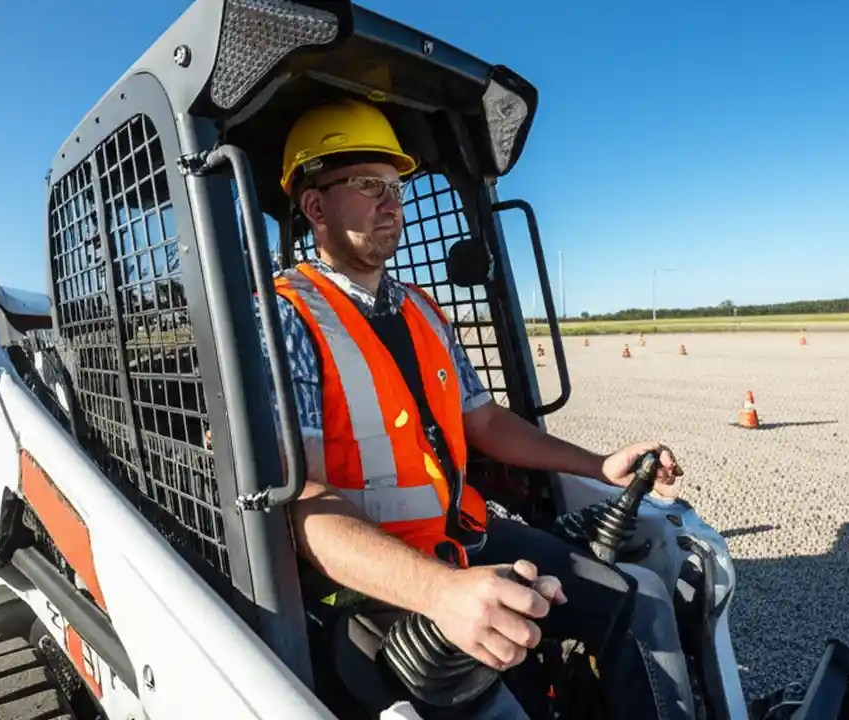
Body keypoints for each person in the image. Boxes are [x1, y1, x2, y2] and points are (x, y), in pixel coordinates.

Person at [264, 98, 688, 717]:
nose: (392, 203)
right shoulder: (284, 319)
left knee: (640, 599)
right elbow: (304, 503)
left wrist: (599, 465)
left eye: (396, 187)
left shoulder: (423, 310)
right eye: (367, 185)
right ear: (316, 205)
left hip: (467, 542)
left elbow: (483, 419)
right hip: (372, 587)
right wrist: (440, 593)